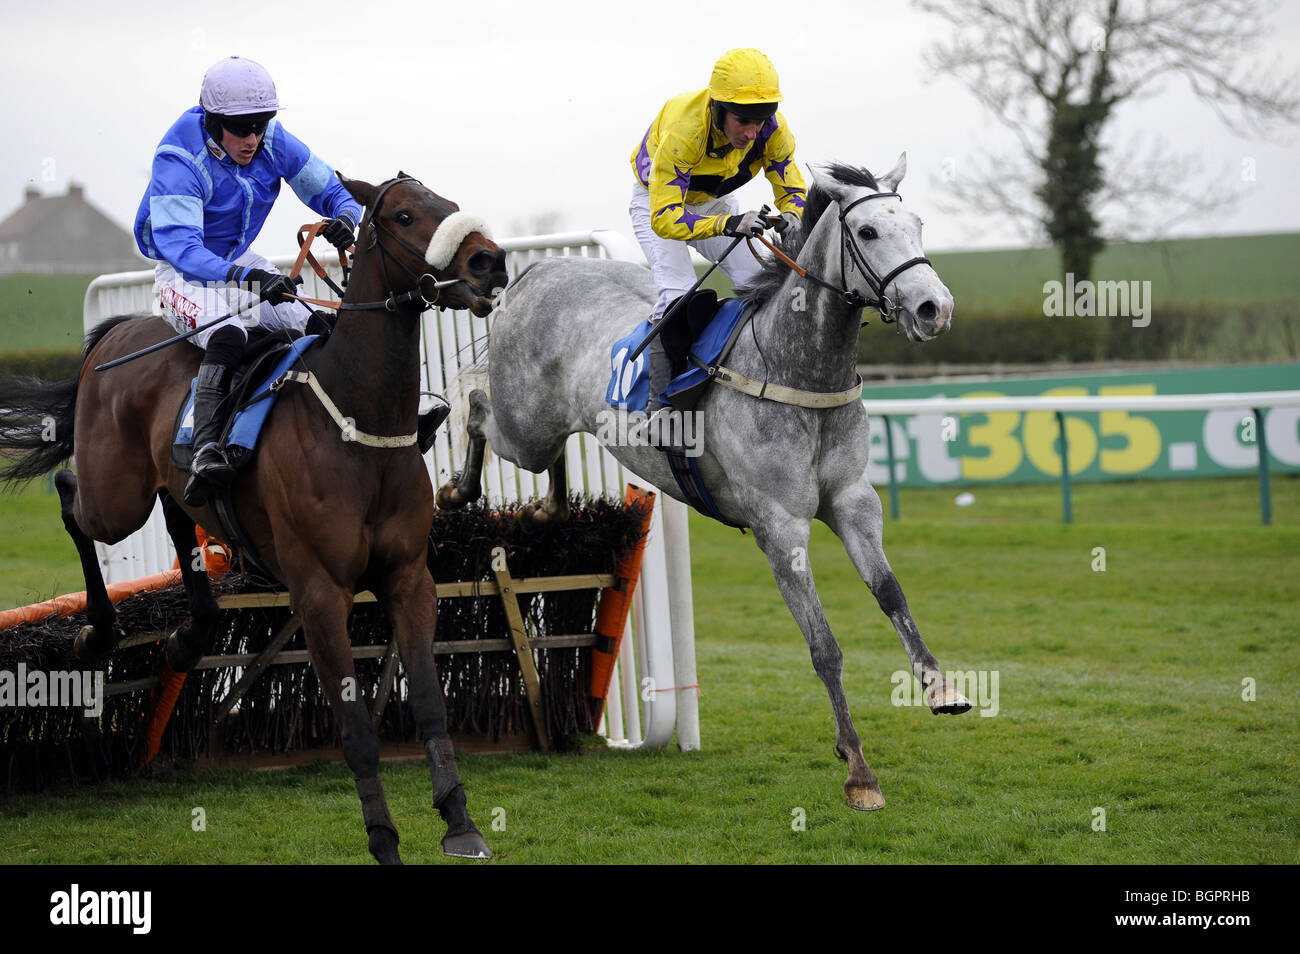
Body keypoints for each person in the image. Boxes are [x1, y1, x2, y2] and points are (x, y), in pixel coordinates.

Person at [134, 55, 361, 506]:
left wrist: (346, 220)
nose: (253, 139)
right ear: (214, 122)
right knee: (231, 333)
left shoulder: (270, 139)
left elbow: (335, 191)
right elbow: (183, 250)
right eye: (242, 129)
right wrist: (246, 277)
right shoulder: (178, 159)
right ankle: (204, 450)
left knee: (316, 326)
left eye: (261, 125)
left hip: (238, 261)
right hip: (183, 274)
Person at [629, 47, 808, 418]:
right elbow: (666, 219)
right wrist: (729, 223)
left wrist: (791, 216)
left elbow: (792, 191)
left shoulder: (772, 129)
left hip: (710, 202)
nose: (752, 131)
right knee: (678, 294)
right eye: (743, 120)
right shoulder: (685, 128)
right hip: (657, 204)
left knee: (760, 282)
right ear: (717, 108)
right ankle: (659, 406)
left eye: (761, 120)